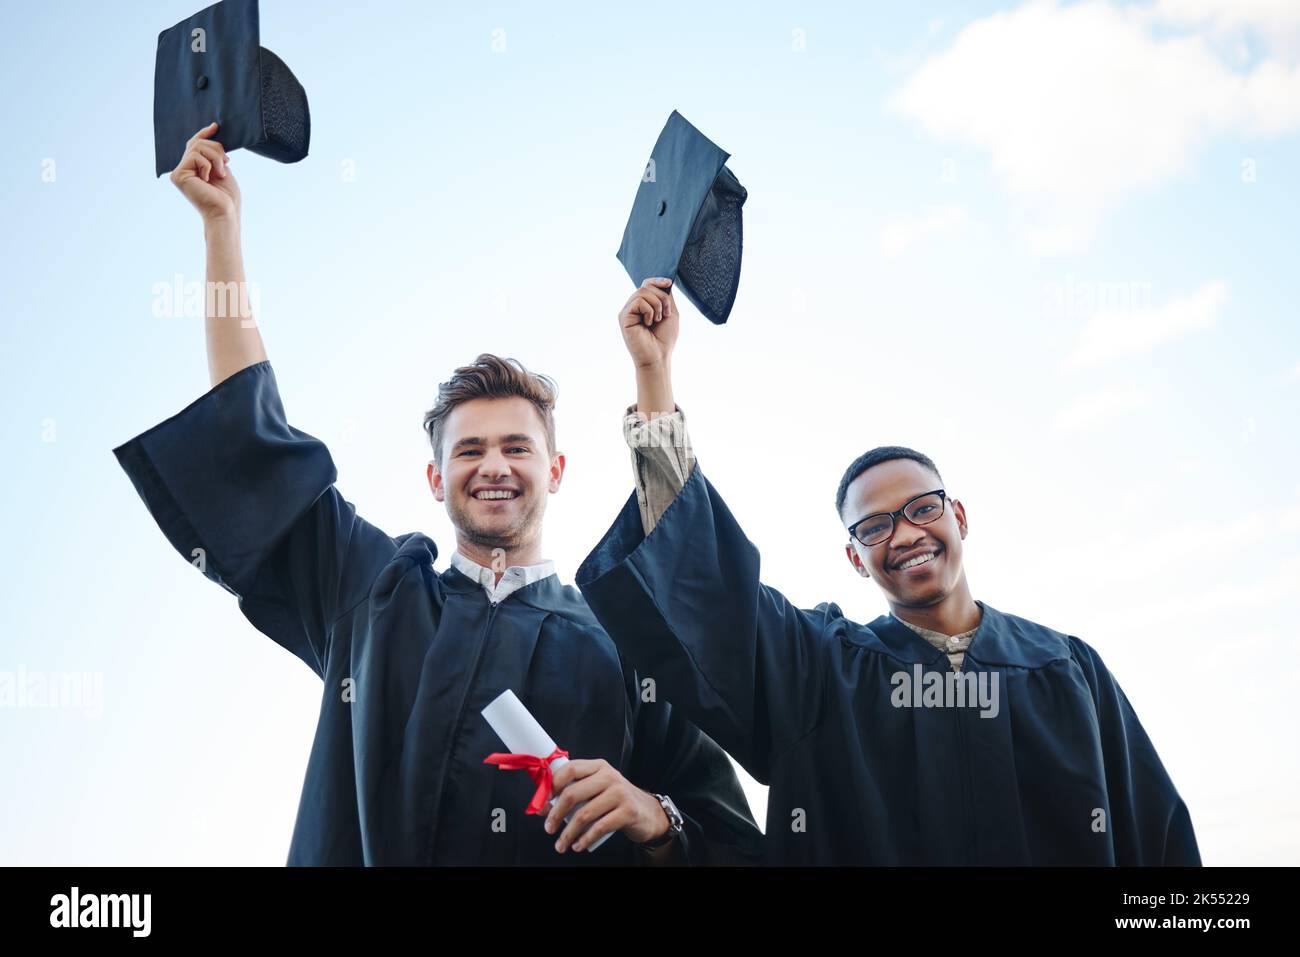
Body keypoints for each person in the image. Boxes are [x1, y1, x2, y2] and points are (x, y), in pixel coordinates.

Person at [113, 125, 761, 866]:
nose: (494, 466)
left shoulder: (620, 648)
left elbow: (732, 842)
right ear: (434, 477)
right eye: (469, 450)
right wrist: (221, 229)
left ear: (555, 469)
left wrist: (656, 816)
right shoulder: (370, 591)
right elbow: (253, 438)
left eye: (518, 447)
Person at [574, 276, 1202, 866]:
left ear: (958, 515)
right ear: (855, 556)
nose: (905, 535)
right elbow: (704, 582)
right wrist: (653, 374)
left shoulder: (1070, 670)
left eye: (923, 510)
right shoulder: (822, 669)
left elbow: (1159, 837)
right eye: (874, 526)